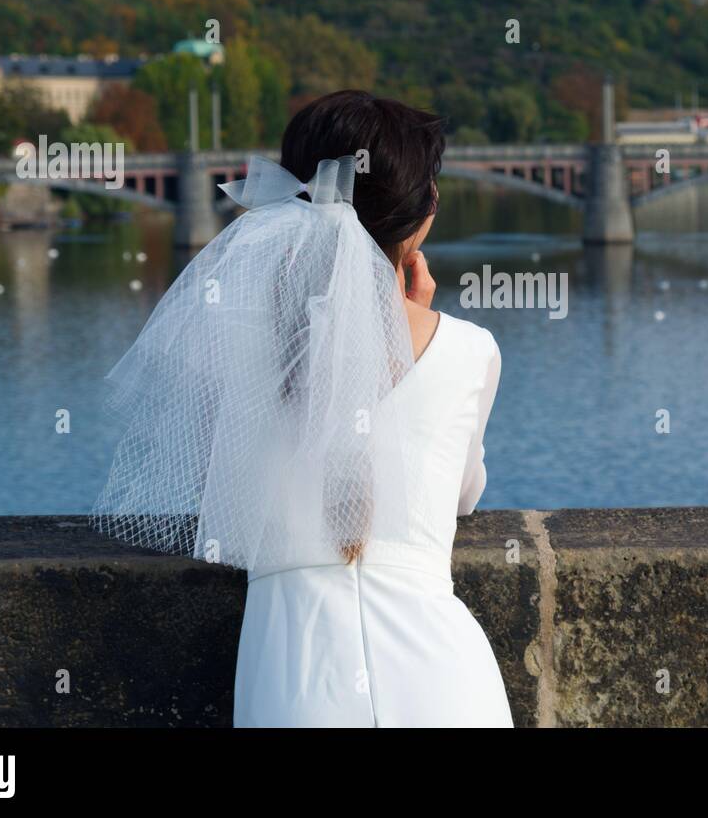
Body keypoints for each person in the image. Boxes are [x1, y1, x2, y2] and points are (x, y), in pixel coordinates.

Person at [94, 90, 513, 727]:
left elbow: (221, 489)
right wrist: (419, 318)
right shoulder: (471, 351)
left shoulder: (229, 348)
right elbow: (460, 496)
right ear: (422, 215)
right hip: (446, 682)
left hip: (294, 680)